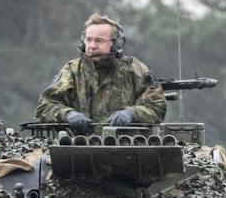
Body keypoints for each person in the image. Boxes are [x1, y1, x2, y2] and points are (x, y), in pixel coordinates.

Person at [34, 13, 166, 132]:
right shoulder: (72, 70)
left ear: (115, 44)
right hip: (79, 145)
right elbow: (45, 106)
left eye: (99, 41)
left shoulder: (135, 69)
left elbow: (157, 108)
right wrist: (68, 114)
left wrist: (131, 114)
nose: (92, 46)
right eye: (88, 39)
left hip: (128, 145)